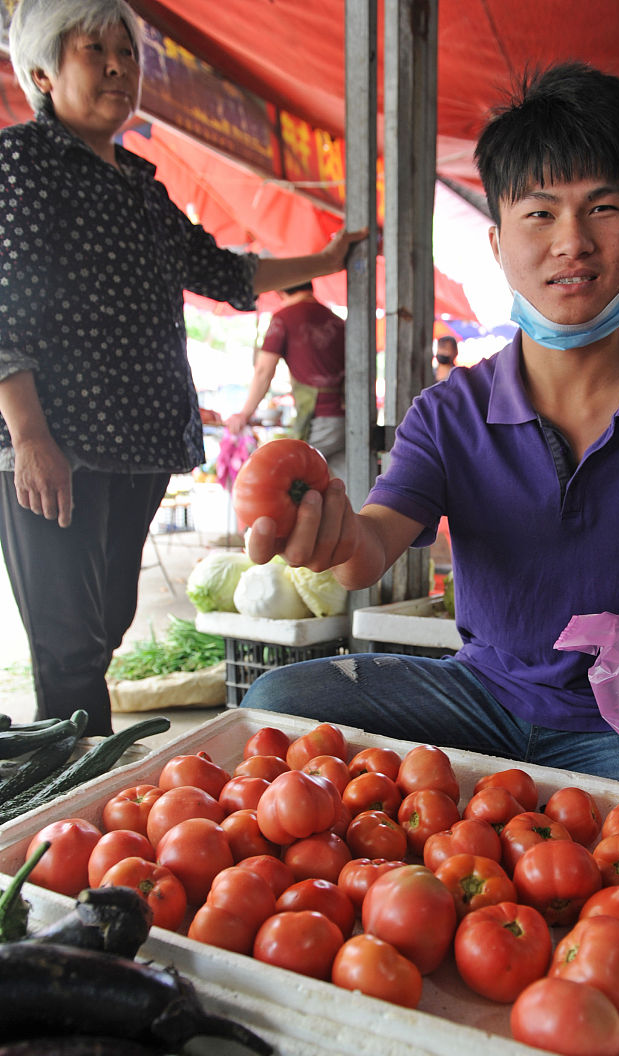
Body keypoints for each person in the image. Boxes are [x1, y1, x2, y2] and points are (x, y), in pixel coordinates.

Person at [241, 61, 619, 1001]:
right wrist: (329, 533)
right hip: (482, 697)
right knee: (280, 692)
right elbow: (377, 542)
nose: (570, 242)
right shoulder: (449, 413)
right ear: (496, 242)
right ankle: (522, 879)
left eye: (601, 208)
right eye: (538, 213)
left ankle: (519, 882)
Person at [0, 0, 365, 736]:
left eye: (127, 52)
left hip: (140, 443)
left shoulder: (139, 182)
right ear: (42, 72)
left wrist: (324, 262)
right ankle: (77, 797)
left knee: (106, 624)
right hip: (59, 444)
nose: (116, 65)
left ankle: (70, 764)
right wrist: (29, 437)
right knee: (70, 641)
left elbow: (221, 271)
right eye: (93, 49)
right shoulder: (23, 162)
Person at [225, 282, 346, 477]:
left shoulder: (284, 318)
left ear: (280, 291)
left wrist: (244, 413)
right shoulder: (338, 322)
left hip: (318, 420)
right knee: (342, 488)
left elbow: (264, 371)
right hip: (348, 419)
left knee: (290, 478)